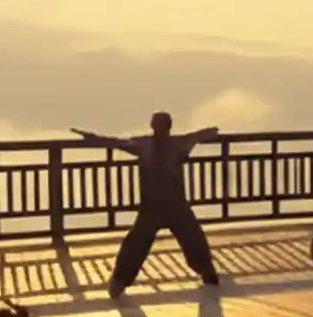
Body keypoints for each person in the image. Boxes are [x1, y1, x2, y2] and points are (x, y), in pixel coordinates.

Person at [71, 112, 221, 298]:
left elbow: (116, 142)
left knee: (141, 243)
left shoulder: (145, 144)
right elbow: (198, 135)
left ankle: (119, 282)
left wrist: (93, 139)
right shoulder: (176, 143)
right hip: (171, 204)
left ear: (153, 126)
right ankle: (206, 272)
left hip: (157, 205)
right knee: (189, 237)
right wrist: (211, 132)